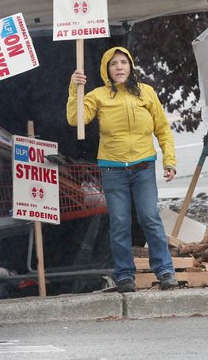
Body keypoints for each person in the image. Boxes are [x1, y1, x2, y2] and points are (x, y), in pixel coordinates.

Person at [67, 46, 178, 292]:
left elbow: (162, 129)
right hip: (112, 170)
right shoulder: (98, 95)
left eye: (123, 63)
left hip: (143, 166)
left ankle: (165, 271)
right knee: (119, 222)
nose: (119, 67)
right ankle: (124, 275)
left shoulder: (146, 93)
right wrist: (75, 88)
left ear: (131, 66)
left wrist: (169, 160)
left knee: (150, 217)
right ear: (107, 69)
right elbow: (76, 120)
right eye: (114, 63)